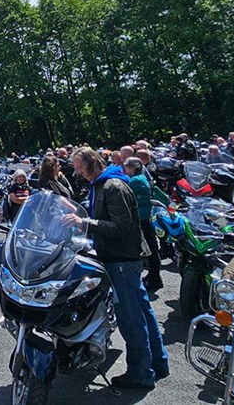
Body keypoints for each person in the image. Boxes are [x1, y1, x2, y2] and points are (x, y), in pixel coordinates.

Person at [62, 147, 168, 389]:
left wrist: (85, 223)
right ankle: (157, 363)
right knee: (142, 312)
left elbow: (121, 226)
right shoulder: (103, 184)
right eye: (76, 168)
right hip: (122, 258)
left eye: (80, 167)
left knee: (130, 318)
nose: (79, 172)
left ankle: (141, 373)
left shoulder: (113, 186)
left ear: (92, 162)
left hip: (122, 259)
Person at [124, 157, 163, 291]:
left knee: (149, 247)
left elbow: (124, 191)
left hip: (142, 217)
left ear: (133, 167)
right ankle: (153, 276)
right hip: (145, 216)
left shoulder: (135, 181)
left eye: (126, 166)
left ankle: (155, 278)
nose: (124, 168)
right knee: (151, 246)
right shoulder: (141, 178)